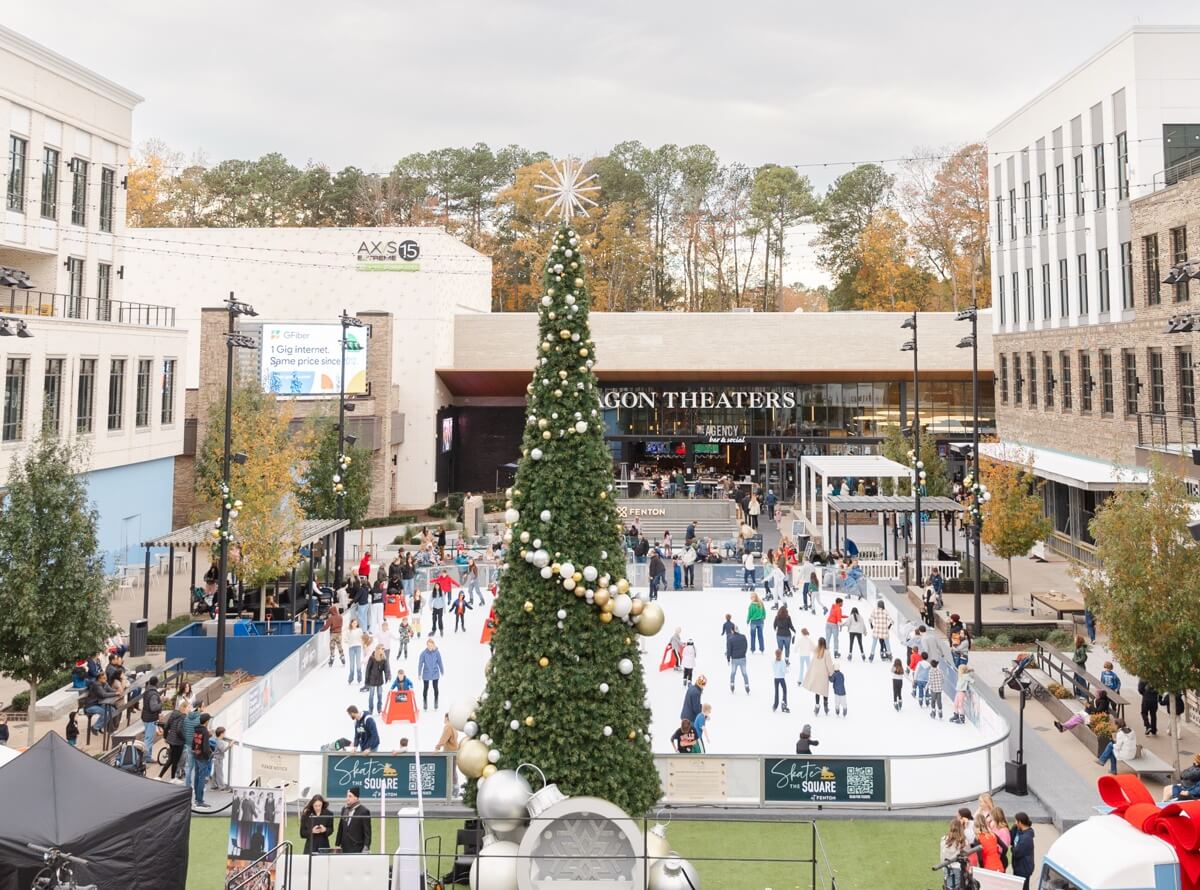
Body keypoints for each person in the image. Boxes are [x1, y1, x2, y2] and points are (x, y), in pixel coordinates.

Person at [158, 699, 190, 780]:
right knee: (175, 760)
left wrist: (166, 737)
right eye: (188, 707)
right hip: (178, 742)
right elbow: (179, 730)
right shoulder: (183, 717)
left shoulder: (174, 714)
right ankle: (173, 779)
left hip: (171, 740)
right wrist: (185, 739)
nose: (189, 709)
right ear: (184, 708)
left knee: (171, 759)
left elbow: (166, 726)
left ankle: (160, 776)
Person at [802, 637, 834, 715]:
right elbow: (829, 664)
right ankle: (826, 706)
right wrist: (831, 673)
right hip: (824, 675)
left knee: (817, 691)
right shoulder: (826, 653)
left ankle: (817, 706)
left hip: (816, 674)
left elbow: (813, 662)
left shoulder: (816, 651)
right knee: (824, 691)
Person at [938, 816, 971, 889]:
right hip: (959, 869)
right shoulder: (963, 841)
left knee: (949, 887)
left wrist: (943, 866)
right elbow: (967, 854)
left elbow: (942, 855)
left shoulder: (944, 839)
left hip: (947, 868)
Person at [336, 787, 372, 853]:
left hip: (357, 848)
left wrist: (366, 847)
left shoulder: (364, 811)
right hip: (344, 848)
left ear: (356, 798)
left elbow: (367, 832)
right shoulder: (344, 809)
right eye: (347, 796)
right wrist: (337, 844)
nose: (347, 798)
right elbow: (341, 828)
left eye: (350, 796)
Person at [190, 713, 215, 809]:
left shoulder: (196, 729)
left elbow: (194, 742)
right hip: (202, 757)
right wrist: (209, 756)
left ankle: (196, 799)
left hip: (196, 755)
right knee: (201, 779)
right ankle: (199, 801)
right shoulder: (204, 731)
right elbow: (205, 747)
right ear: (207, 721)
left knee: (197, 777)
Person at [1010, 813, 1036, 890]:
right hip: (1019, 866)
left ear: (1020, 822)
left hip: (1023, 869)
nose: (1015, 823)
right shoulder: (1020, 830)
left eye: (1016, 821)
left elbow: (1016, 852)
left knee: (1023, 887)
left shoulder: (1026, 838)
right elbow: (1012, 840)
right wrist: (1014, 827)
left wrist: (1012, 848)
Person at [418, 638, 445, 710]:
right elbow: (420, 664)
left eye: (431, 645)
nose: (430, 647)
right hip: (426, 673)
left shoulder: (437, 653)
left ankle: (436, 702)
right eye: (428, 645)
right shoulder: (423, 653)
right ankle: (425, 702)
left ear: (433, 645)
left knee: (435, 688)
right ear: (426, 645)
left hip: (435, 672)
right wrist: (419, 673)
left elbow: (440, 662)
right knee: (425, 688)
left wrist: (442, 670)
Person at [140, 675, 163, 757]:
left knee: (148, 738)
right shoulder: (153, 694)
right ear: (156, 683)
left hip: (145, 717)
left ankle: (148, 757)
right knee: (149, 739)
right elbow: (153, 708)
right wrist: (161, 702)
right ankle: (143, 758)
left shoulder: (147, 691)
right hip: (151, 719)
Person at [364, 645, 391, 715]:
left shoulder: (383, 659)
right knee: (371, 695)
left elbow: (386, 669)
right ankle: (370, 709)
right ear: (377, 649)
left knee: (380, 695)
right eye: (380, 649)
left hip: (379, 680)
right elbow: (368, 669)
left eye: (383, 649)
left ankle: (379, 709)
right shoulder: (372, 658)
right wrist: (366, 680)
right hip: (372, 680)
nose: (382, 650)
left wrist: (387, 676)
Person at [726, 626, 750, 694]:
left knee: (733, 673)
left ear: (732, 631)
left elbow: (729, 649)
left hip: (734, 659)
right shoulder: (743, 637)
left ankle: (732, 685)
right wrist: (743, 653)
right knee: (744, 673)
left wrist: (728, 658)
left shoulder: (730, 639)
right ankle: (747, 686)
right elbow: (746, 646)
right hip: (742, 658)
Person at [211, 727, 233, 791]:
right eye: (224, 733)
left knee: (215, 773)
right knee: (219, 773)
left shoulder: (216, 740)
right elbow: (223, 750)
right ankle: (222, 787)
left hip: (216, 758)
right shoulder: (220, 742)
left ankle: (214, 785)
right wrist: (229, 745)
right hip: (218, 759)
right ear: (221, 734)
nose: (225, 734)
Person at [346, 618, 364, 686]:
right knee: (352, 664)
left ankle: (359, 678)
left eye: (356, 623)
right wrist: (349, 642)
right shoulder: (348, 631)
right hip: (351, 648)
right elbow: (346, 639)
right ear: (351, 623)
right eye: (353, 623)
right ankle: (350, 679)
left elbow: (362, 638)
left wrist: (363, 645)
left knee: (358, 663)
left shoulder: (359, 630)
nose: (354, 624)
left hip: (358, 647)